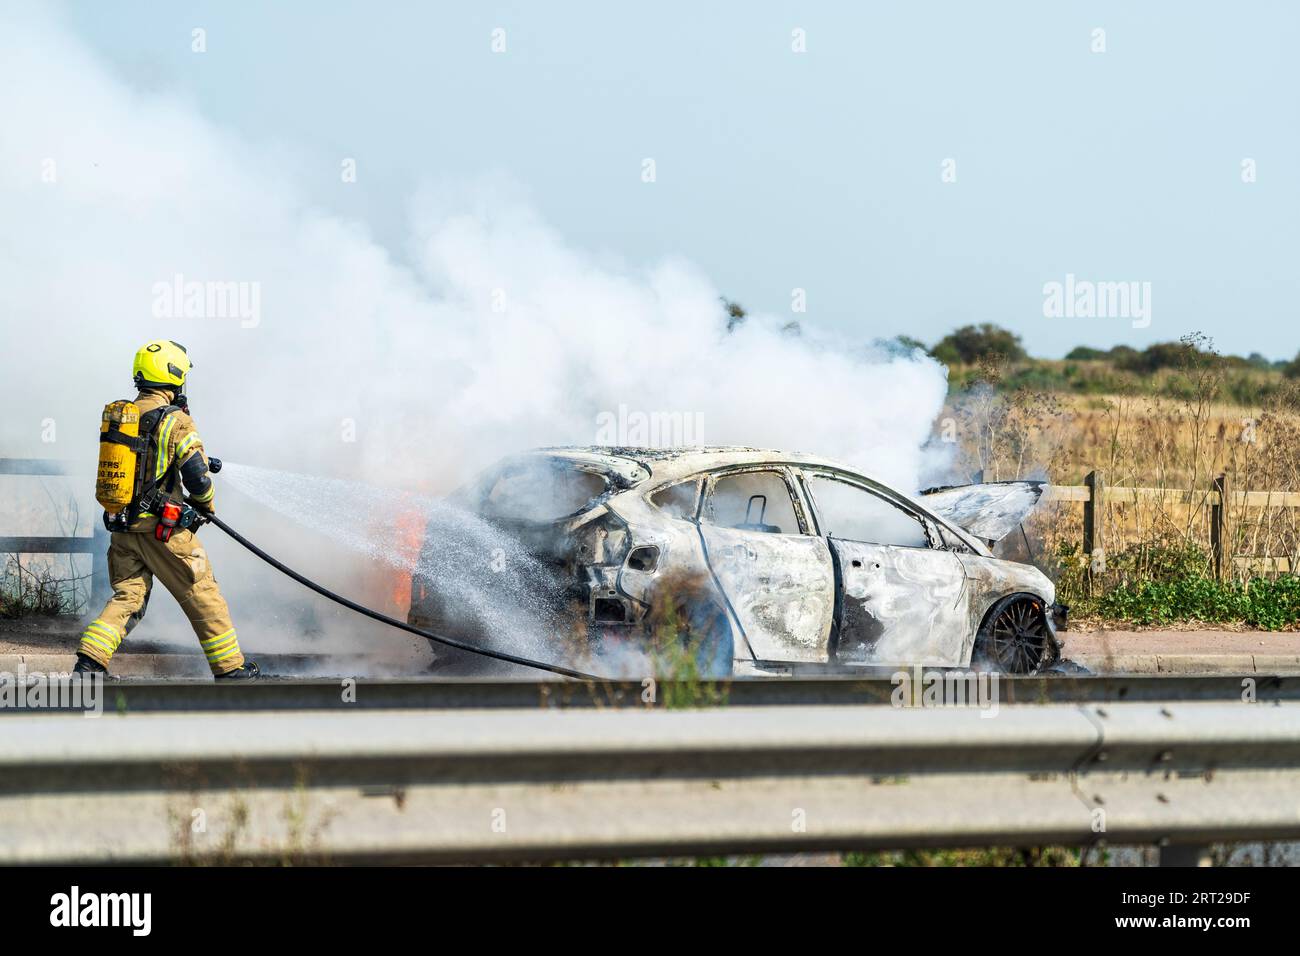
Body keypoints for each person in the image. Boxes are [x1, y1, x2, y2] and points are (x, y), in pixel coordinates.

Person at [75, 340, 258, 679]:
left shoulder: (125, 416)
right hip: (164, 533)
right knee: (202, 593)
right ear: (174, 376)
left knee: (128, 597)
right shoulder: (178, 422)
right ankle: (230, 668)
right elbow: (197, 478)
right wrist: (206, 507)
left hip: (124, 531)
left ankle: (88, 664)